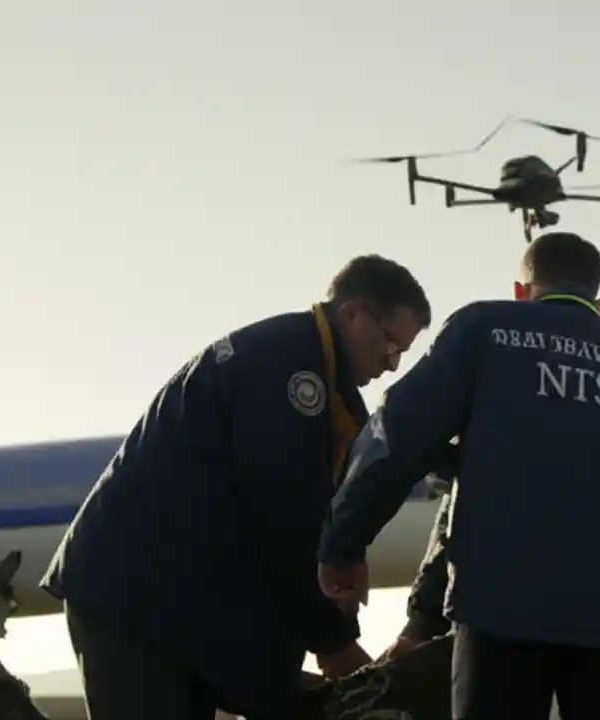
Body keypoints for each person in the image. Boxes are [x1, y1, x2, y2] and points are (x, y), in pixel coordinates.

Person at [39, 255, 432, 720]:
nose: (391, 366)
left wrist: (341, 562)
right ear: (353, 315)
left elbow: (310, 519)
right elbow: (287, 518)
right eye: (390, 347)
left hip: (181, 604)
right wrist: (335, 643)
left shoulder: (312, 374)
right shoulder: (288, 372)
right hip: (138, 603)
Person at [314, 231, 600, 720]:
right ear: (597, 301)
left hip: (504, 613)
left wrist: (343, 543)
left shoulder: (487, 330)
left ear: (521, 290)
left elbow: (397, 438)